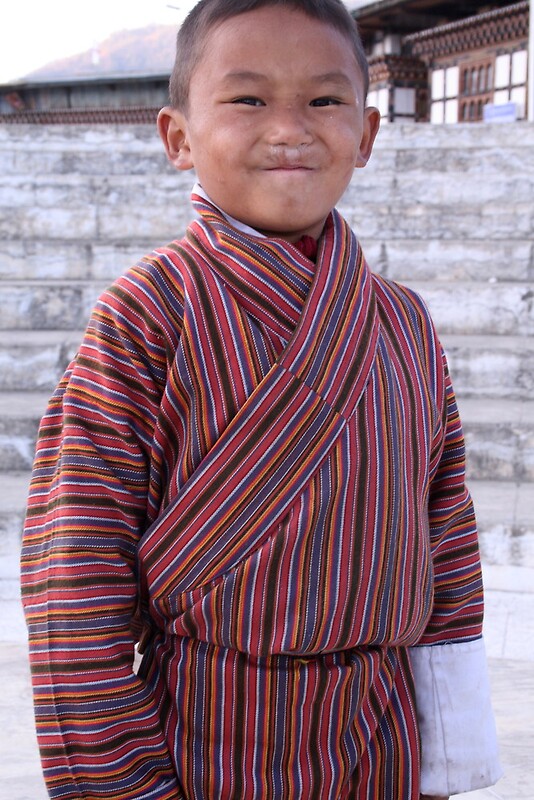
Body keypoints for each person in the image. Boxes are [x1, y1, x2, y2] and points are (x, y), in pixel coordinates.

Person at [20, 1, 502, 798]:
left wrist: (442, 752)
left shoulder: (404, 322)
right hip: (208, 740)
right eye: (248, 100)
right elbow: (74, 571)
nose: (290, 129)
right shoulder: (147, 312)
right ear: (177, 137)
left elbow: (444, 533)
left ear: (367, 134)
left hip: (379, 740)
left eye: (323, 100)